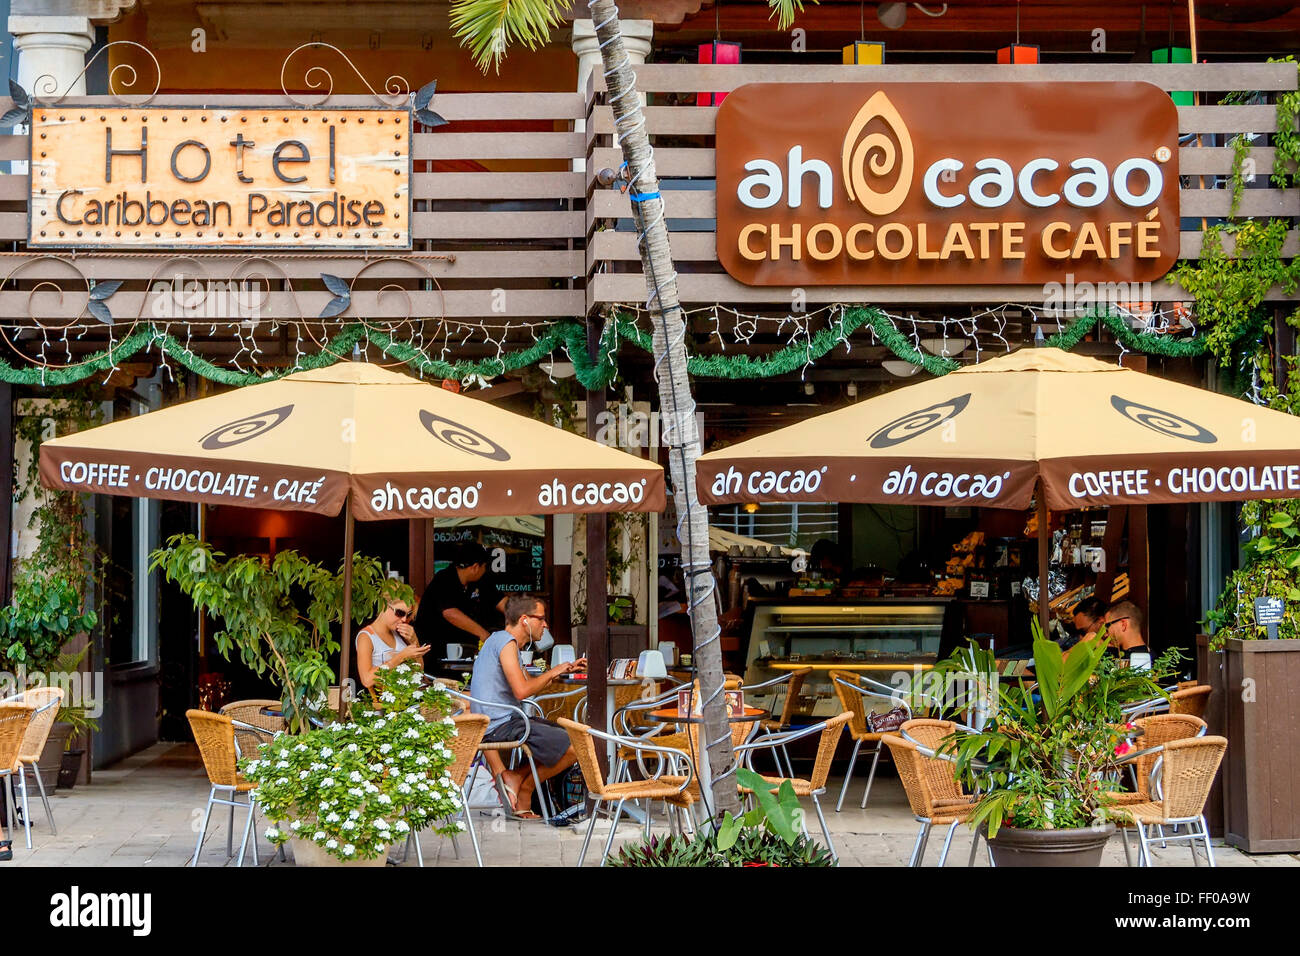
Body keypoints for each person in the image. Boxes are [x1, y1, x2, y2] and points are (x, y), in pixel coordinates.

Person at [468, 594, 585, 819]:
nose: (545, 624)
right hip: (500, 725)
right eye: (540, 619)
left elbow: (527, 686)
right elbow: (522, 691)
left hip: (504, 721)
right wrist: (553, 671)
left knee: (561, 738)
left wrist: (562, 670)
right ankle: (526, 789)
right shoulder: (506, 642)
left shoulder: (501, 641)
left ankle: (518, 780)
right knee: (575, 746)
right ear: (524, 620)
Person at [413, 541, 507, 671]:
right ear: (475, 567)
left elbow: (502, 603)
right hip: (435, 652)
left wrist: (519, 616)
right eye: (484, 566)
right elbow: (450, 613)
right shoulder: (443, 579)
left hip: (466, 654)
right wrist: (484, 634)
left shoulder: (481, 581)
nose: (485, 570)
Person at [356, 596, 429, 692]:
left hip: (408, 697)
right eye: (400, 613)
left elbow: (419, 670)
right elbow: (367, 680)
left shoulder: (400, 632)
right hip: (384, 700)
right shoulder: (366, 636)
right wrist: (401, 657)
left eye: (408, 615)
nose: (404, 619)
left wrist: (414, 640)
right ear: (384, 606)